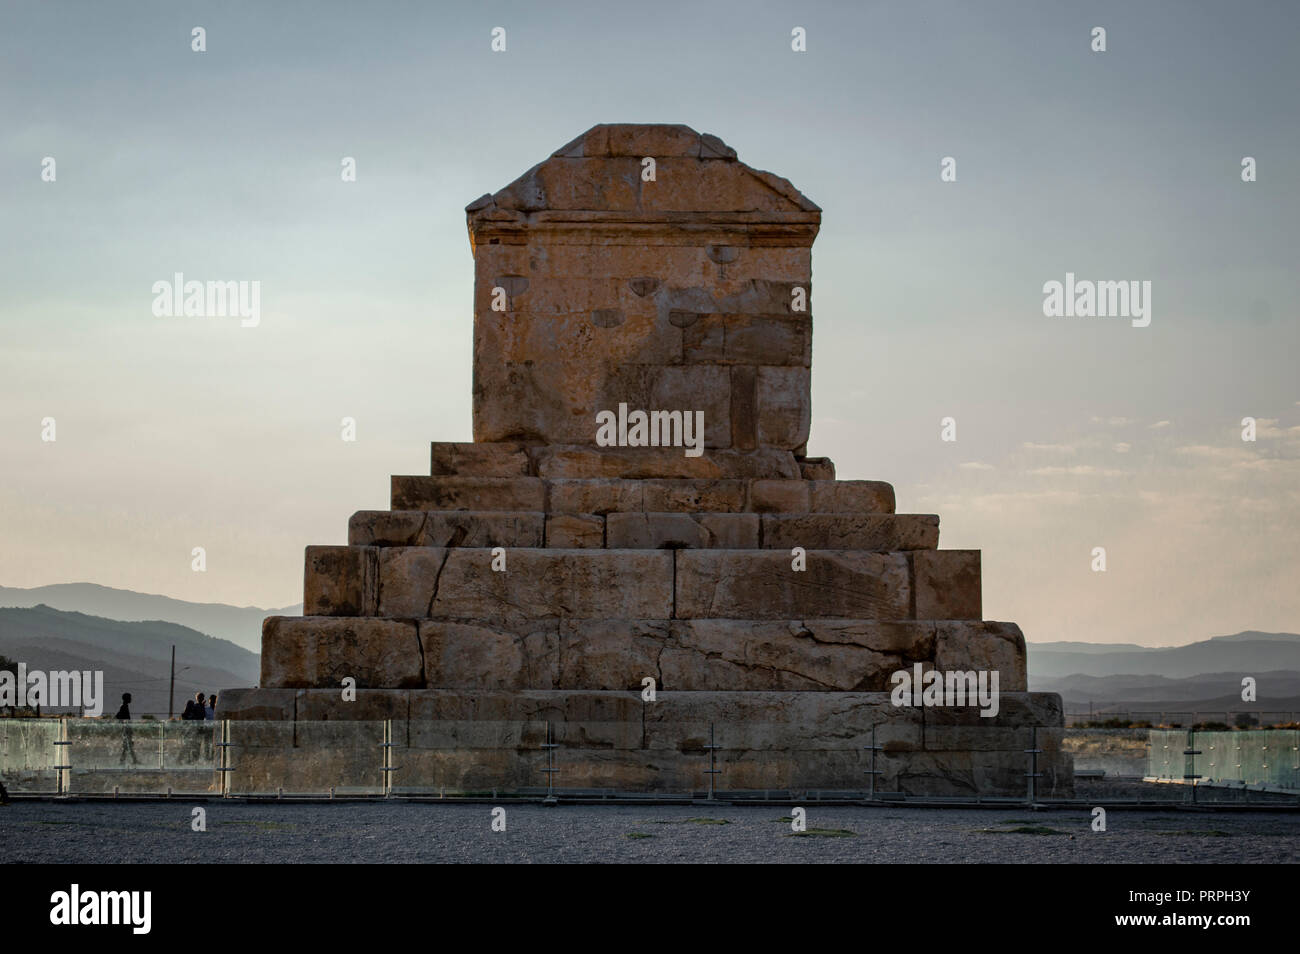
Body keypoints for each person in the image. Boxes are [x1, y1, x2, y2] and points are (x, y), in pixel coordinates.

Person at [117, 692, 138, 766]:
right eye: (130, 698)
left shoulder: (124, 706)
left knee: (128, 746)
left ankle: (130, 760)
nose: (131, 699)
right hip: (126, 729)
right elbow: (119, 716)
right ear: (126, 699)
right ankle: (125, 760)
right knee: (128, 746)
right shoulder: (123, 707)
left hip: (126, 728)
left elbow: (118, 716)